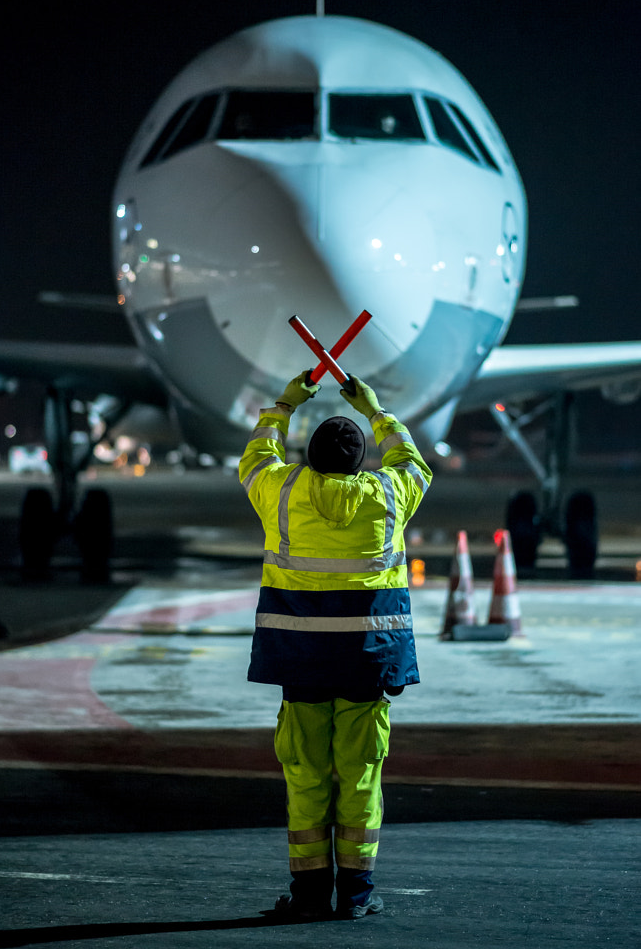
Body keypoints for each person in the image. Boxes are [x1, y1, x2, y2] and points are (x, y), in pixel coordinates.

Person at [239, 370, 432, 922]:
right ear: (360, 460)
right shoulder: (388, 496)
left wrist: (284, 405)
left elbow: (254, 458)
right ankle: (356, 895)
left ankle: (306, 897)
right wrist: (376, 410)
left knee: (305, 776)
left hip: (300, 660)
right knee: (360, 777)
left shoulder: (284, 492)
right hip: (366, 663)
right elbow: (413, 464)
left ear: (311, 456)